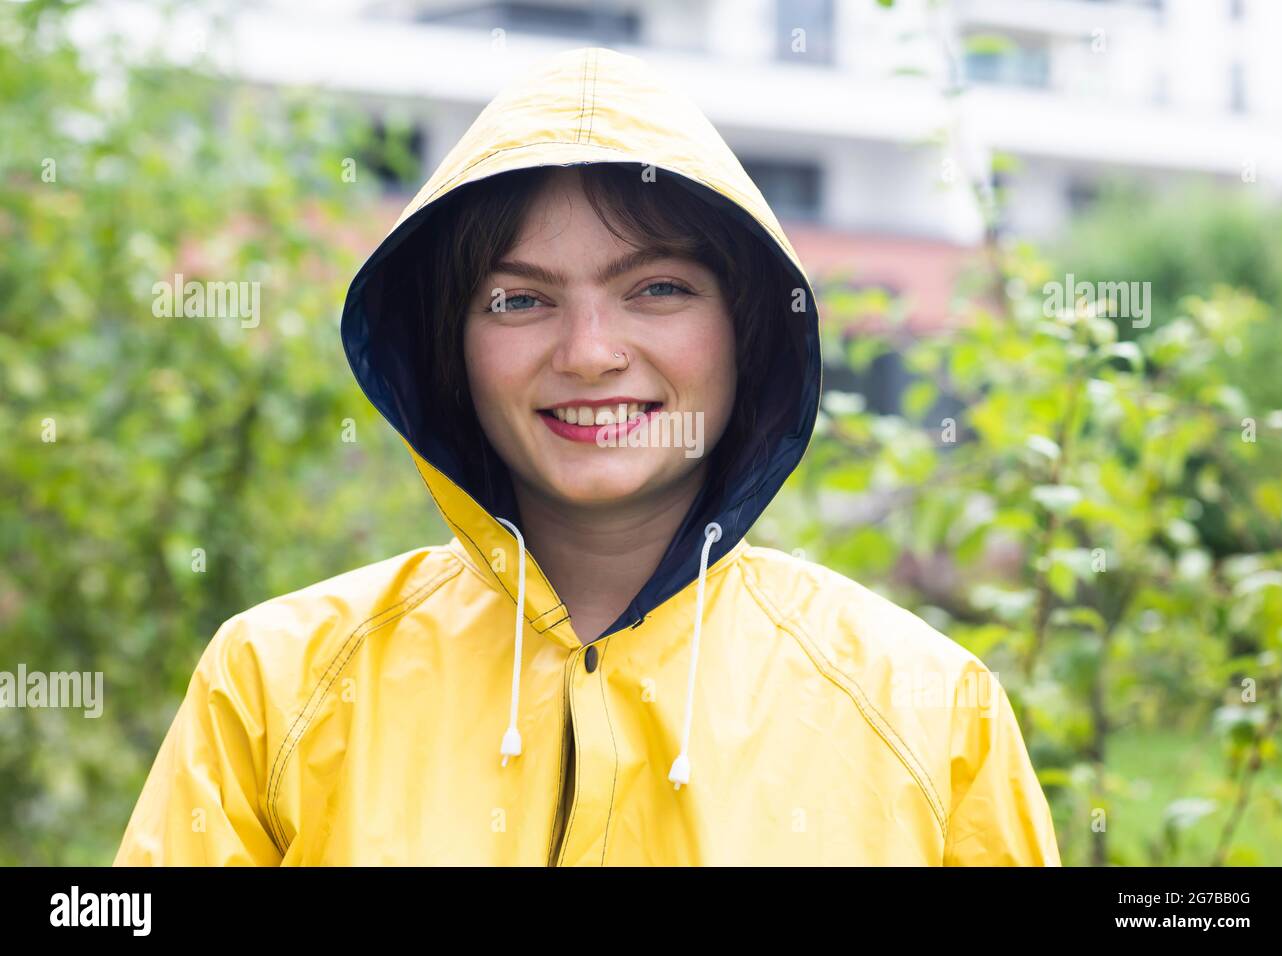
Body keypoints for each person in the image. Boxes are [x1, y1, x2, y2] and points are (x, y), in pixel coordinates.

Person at [114, 46, 1061, 866]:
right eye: (519, 300)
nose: (589, 352)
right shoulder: (275, 683)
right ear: (450, 348)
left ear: (748, 332)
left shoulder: (928, 709)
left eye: (655, 287)